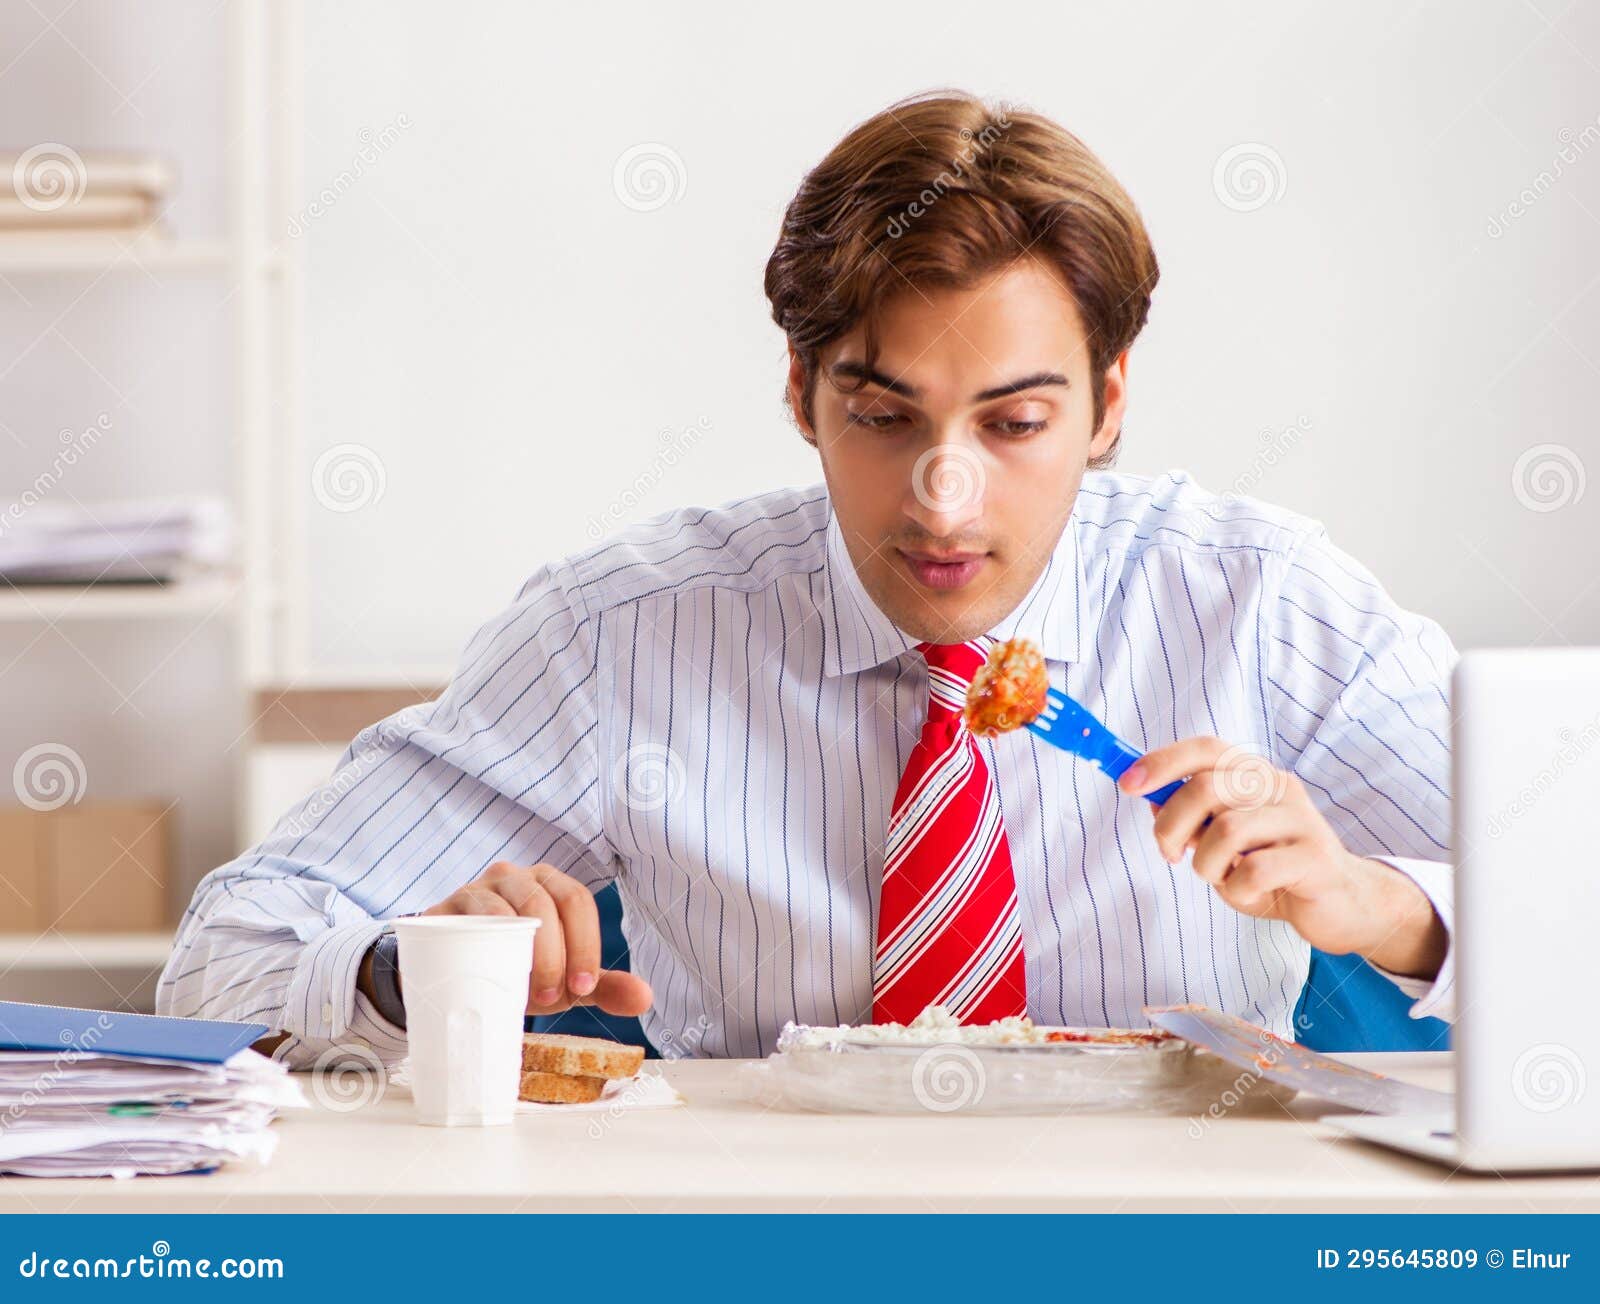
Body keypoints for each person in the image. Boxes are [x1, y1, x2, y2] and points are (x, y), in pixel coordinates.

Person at [158, 90, 1454, 1066]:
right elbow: (221, 967)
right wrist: (413, 966)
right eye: (886, 416)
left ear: (1108, 407)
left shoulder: (1262, 603)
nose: (945, 497)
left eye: (1014, 424)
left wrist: (1380, 907)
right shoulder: (622, 633)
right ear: (802, 393)